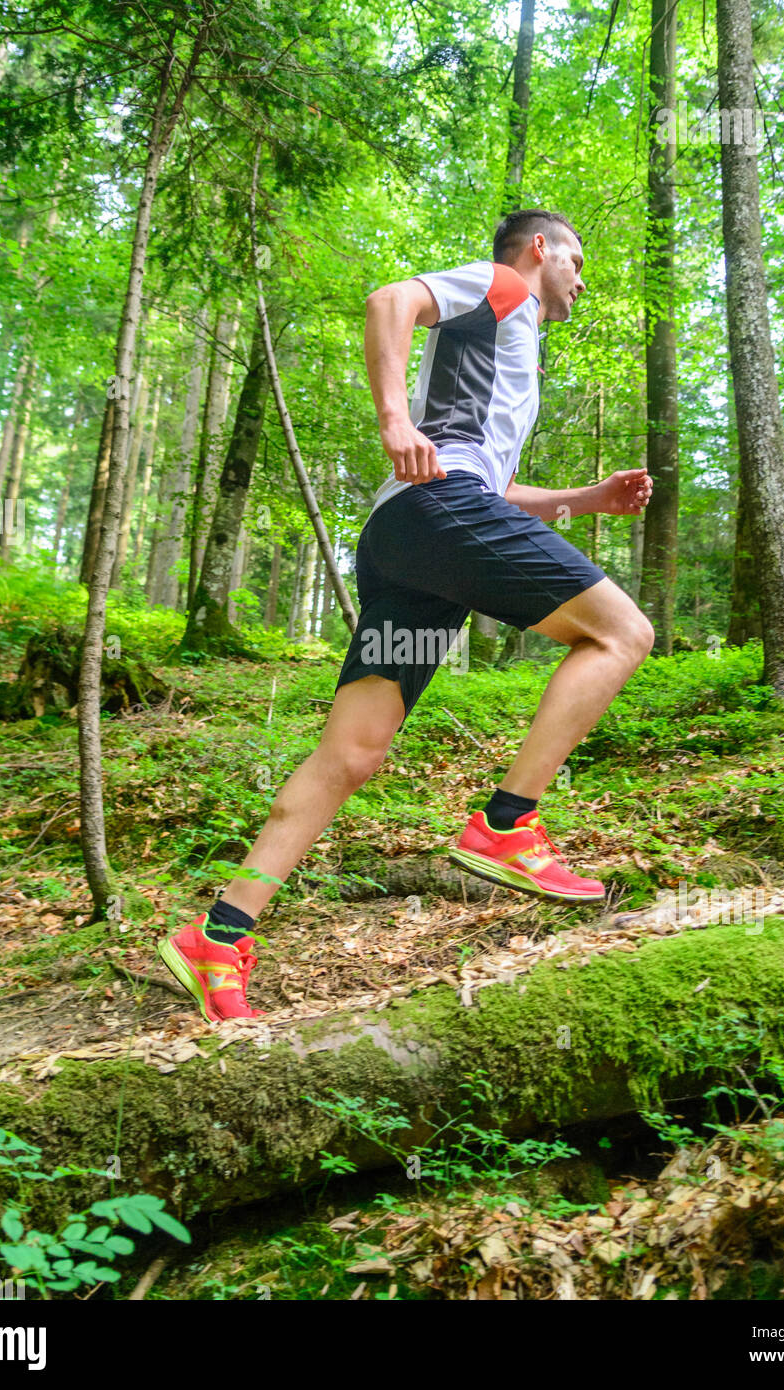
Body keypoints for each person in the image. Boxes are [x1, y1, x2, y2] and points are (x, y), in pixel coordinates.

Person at [157, 208, 654, 1022]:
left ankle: (217, 935)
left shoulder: (508, 351)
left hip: (408, 538)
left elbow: (490, 483)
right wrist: (394, 420)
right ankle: (506, 823)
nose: (581, 278)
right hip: (434, 511)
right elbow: (390, 299)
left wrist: (583, 499)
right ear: (541, 249)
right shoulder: (502, 288)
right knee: (621, 633)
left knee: (352, 752)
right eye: (576, 258)